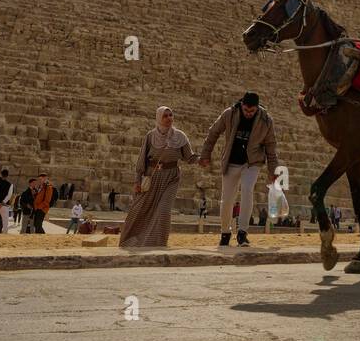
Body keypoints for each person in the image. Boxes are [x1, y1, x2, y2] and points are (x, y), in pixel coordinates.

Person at [199, 92, 280, 247]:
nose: (248, 114)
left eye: (252, 111)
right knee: (227, 199)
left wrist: (273, 170)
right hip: (231, 161)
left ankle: (242, 232)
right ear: (242, 105)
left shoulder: (266, 120)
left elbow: (271, 146)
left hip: (252, 162)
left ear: (257, 108)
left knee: (248, 190)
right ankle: (225, 232)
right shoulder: (230, 114)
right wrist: (205, 154)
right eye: (246, 110)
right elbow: (213, 132)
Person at [119, 106, 196, 248]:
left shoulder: (180, 136)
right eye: (165, 116)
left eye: (171, 115)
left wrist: (202, 158)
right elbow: (142, 159)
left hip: (171, 178)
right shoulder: (150, 136)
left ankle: (158, 243)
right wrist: (137, 180)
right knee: (140, 209)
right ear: (159, 118)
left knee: (164, 210)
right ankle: (131, 239)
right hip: (152, 176)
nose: (169, 118)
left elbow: (188, 157)